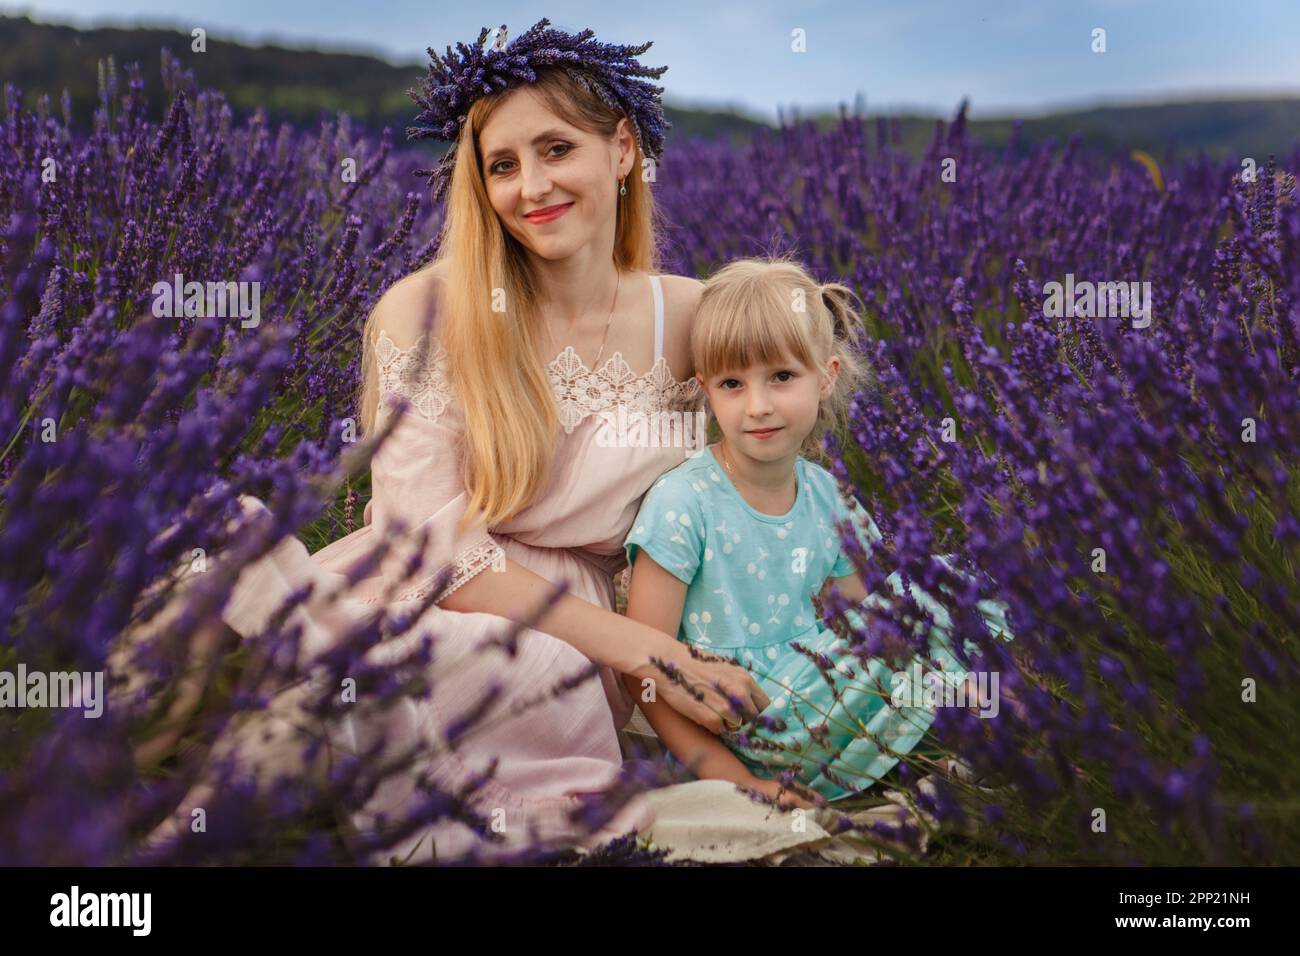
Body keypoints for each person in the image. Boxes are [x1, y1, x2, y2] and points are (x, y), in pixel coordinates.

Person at [193, 19, 769, 864]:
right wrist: (651, 652)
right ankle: (303, 691)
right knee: (432, 660)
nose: (530, 186)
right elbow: (436, 551)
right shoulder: (427, 311)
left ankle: (316, 711)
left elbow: (751, 487)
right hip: (432, 592)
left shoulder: (688, 316)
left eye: (555, 149)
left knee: (527, 675)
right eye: (502, 165)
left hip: (586, 647)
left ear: (621, 152)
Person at [621, 257, 1016, 809]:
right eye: (733, 383)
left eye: (781, 377)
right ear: (705, 390)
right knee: (927, 604)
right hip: (748, 723)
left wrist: (936, 659)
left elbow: (874, 621)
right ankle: (974, 732)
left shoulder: (827, 495)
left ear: (825, 376)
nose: (758, 406)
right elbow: (645, 672)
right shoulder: (684, 503)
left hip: (821, 710)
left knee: (946, 587)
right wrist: (742, 783)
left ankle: (974, 727)